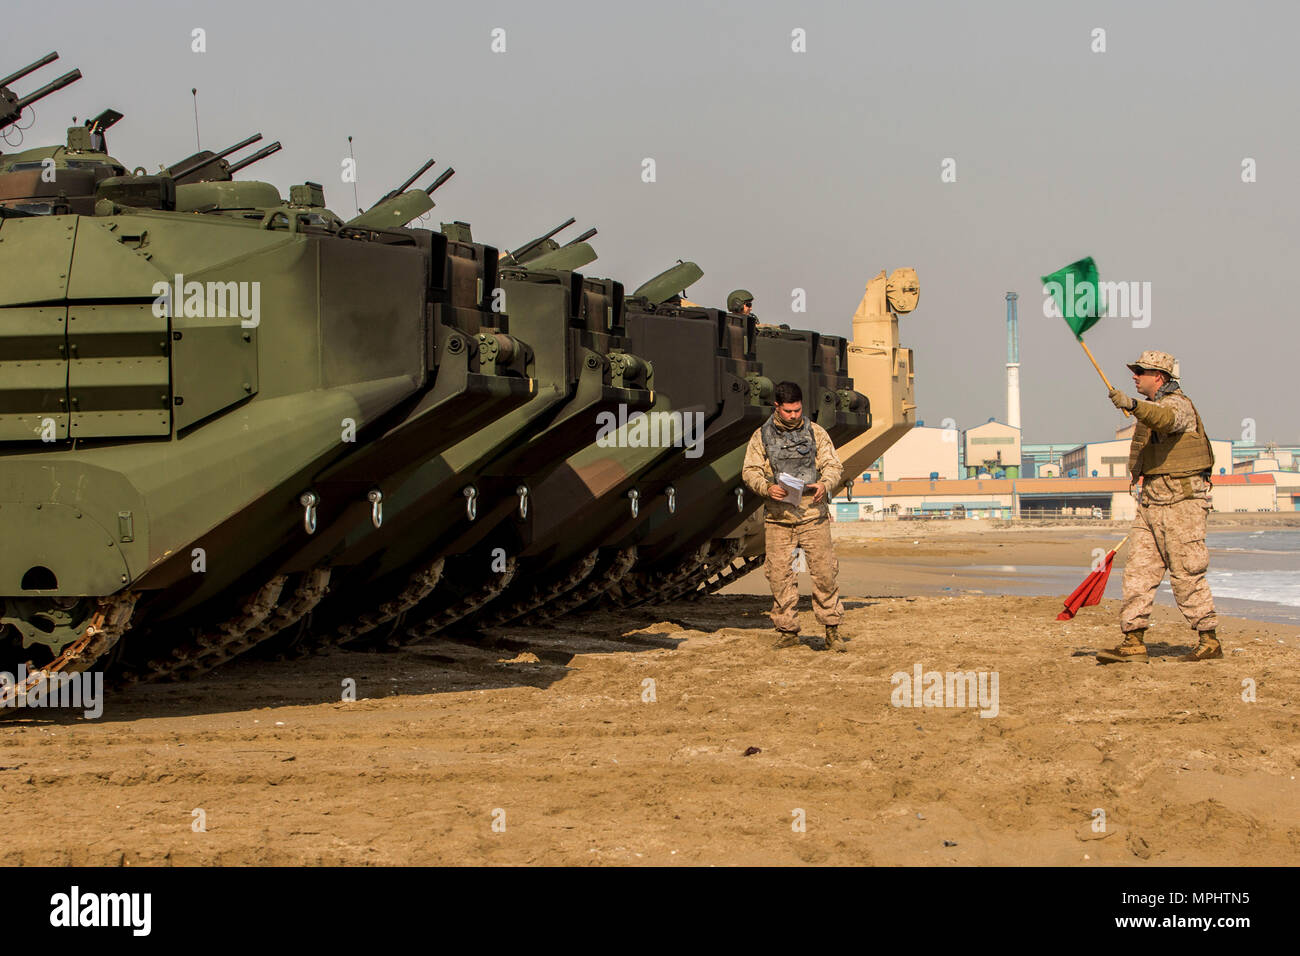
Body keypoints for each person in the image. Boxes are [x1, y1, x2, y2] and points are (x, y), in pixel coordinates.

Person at [1099, 350, 1221, 664]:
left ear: (1160, 377)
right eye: (1135, 370)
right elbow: (1151, 422)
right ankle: (1133, 641)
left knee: (1186, 573)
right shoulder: (1150, 411)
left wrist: (1131, 404)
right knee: (1138, 573)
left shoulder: (1179, 405)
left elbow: (1165, 419)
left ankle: (1209, 640)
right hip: (1151, 502)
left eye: (1141, 371)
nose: (1135, 376)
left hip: (1182, 504)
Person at [741, 380, 846, 651]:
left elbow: (834, 465)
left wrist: (826, 483)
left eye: (798, 410)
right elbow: (749, 471)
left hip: (813, 516)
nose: (794, 416)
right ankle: (787, 631)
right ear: (777, 407)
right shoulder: (761, 436)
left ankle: (832, 630)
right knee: (779, 575)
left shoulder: (816, 433)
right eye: (788, 411)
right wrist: (766, 487)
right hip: (778, 519)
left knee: (824, 573)